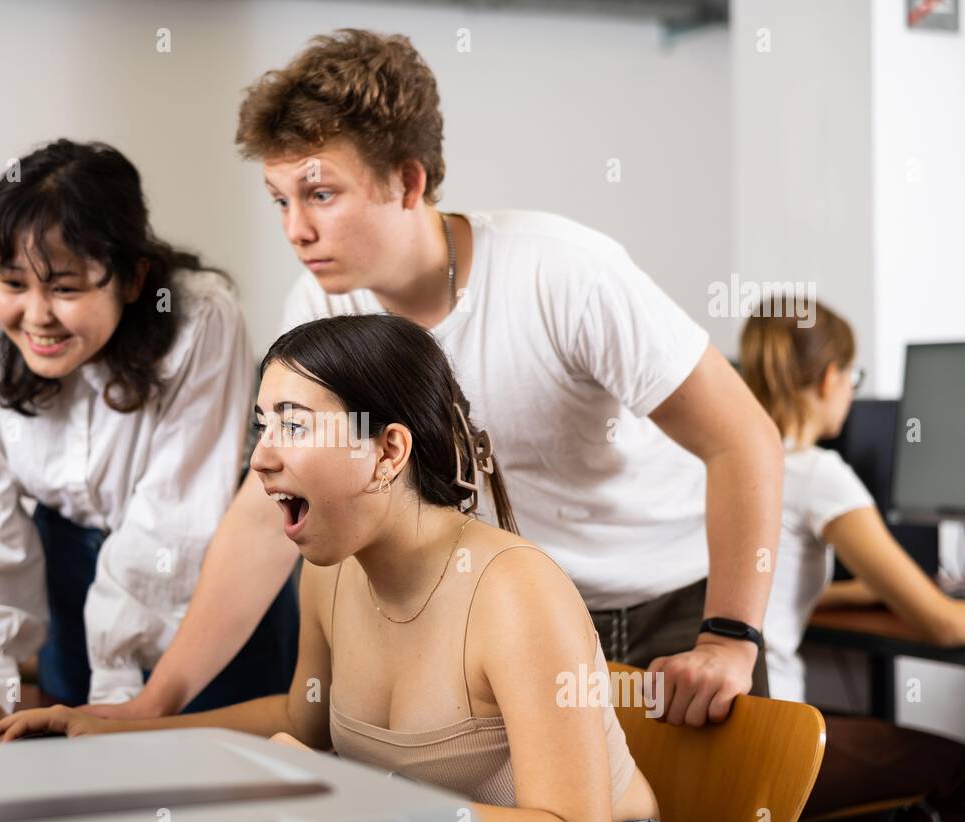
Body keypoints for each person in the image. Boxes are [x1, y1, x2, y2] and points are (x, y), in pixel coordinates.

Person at [93, 28, 784, 728]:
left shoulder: (562, 273)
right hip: (514, 615)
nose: (295, 229)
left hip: (668, 606)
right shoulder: (324, 305)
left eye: (320, 194)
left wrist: (729, 637)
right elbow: (264, 517)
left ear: (408, 179)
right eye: (279, 200)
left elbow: (745, 439)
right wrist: (150, 707)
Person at [0, 313, 672, 822]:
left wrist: (353, 796)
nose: (260, 457)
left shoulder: (516, 592)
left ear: (387, 452)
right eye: (262, 425)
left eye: (294, 424)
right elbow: (301, 722)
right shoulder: (330, 573)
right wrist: (131, 731)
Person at [0, 139, 296, 739]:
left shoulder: (200, 320)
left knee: (215, 775)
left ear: (133, 279)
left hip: (205, 578)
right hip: (71, 574)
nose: (36, 315)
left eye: (66, 288)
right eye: (11, 282)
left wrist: (120, 698)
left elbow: (175, 519)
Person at [739, 297, 965, 822]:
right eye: (853, 376)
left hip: (707, 735)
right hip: (777, 737)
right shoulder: (818, 473)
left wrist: (850, 592)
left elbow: (757, 592)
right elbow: (942, 626)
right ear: (832, 377)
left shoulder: (720, 461)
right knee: (955, 765)